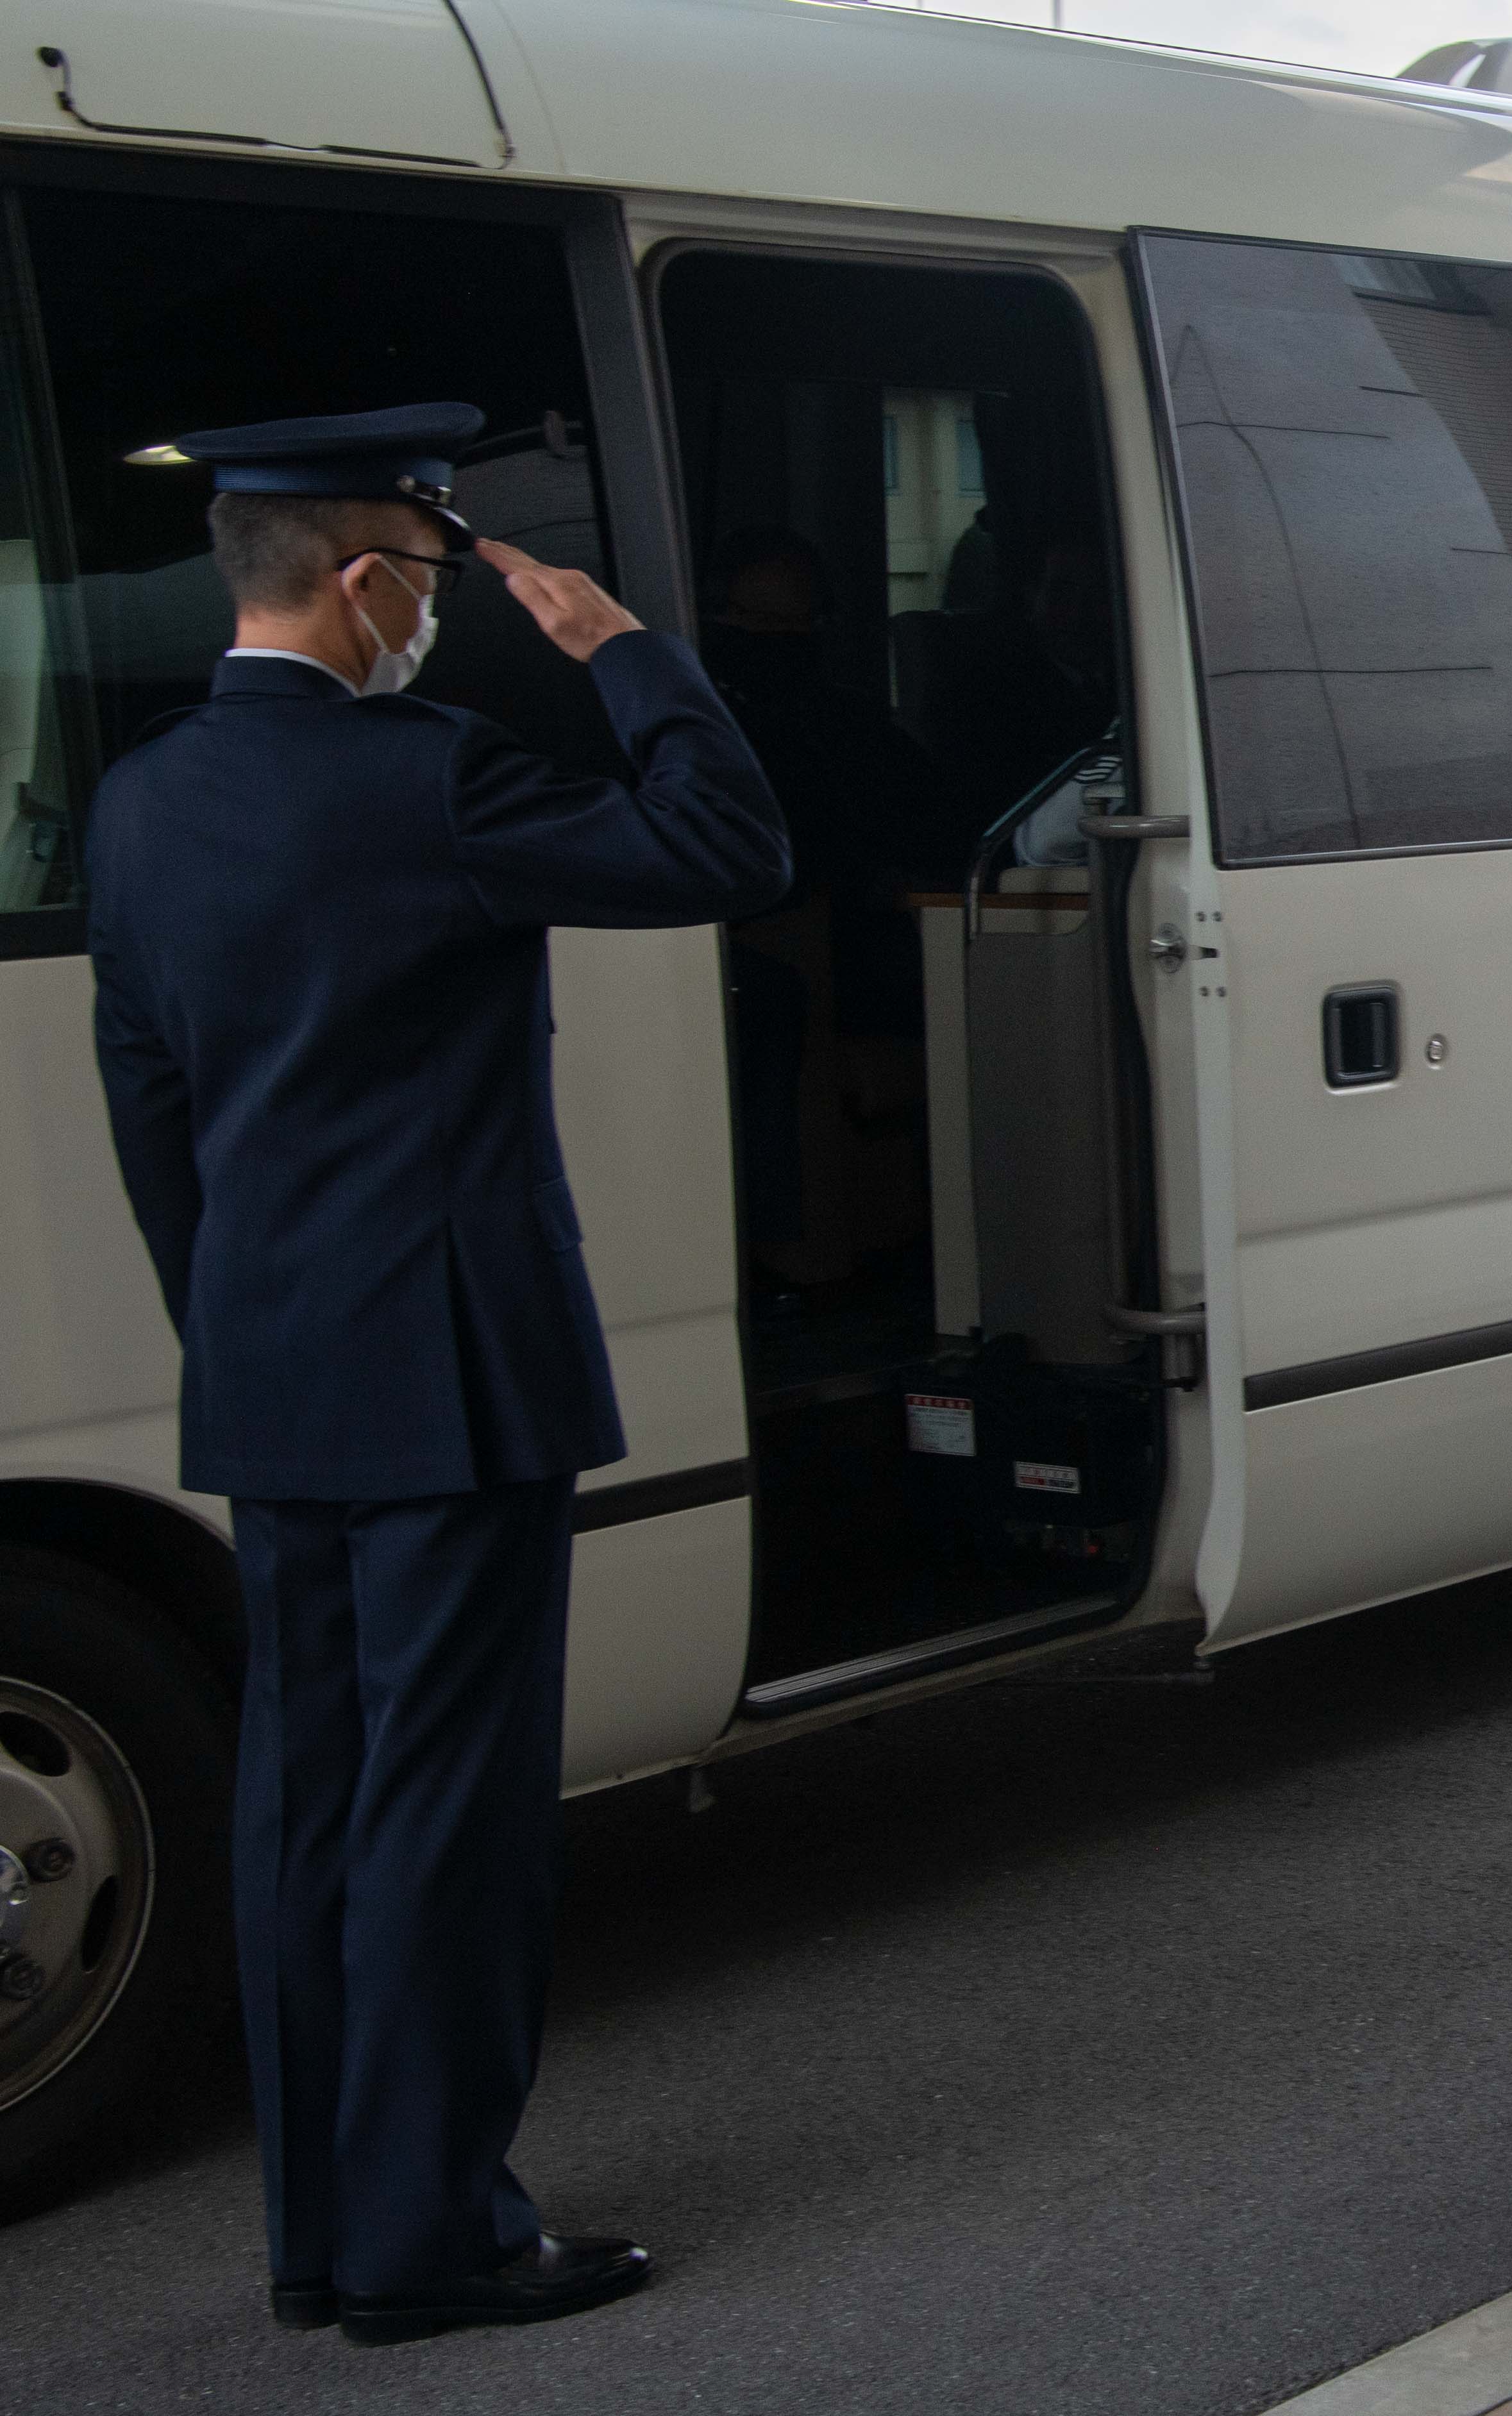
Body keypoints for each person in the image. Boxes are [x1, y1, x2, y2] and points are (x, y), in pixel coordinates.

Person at [83, 406, 788, 2343]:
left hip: (273, 1367)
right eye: (431, 574)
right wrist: (622, 651)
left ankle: (324, 2232)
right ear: (368, 580)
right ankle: (432, 2237)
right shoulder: (429, 776)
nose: (438, 613)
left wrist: (238, 1318)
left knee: (304, 1800)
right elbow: (731, 847)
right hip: (454, 1372)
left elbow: (151, 1107)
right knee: (447, 1814)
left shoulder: (140, 804)